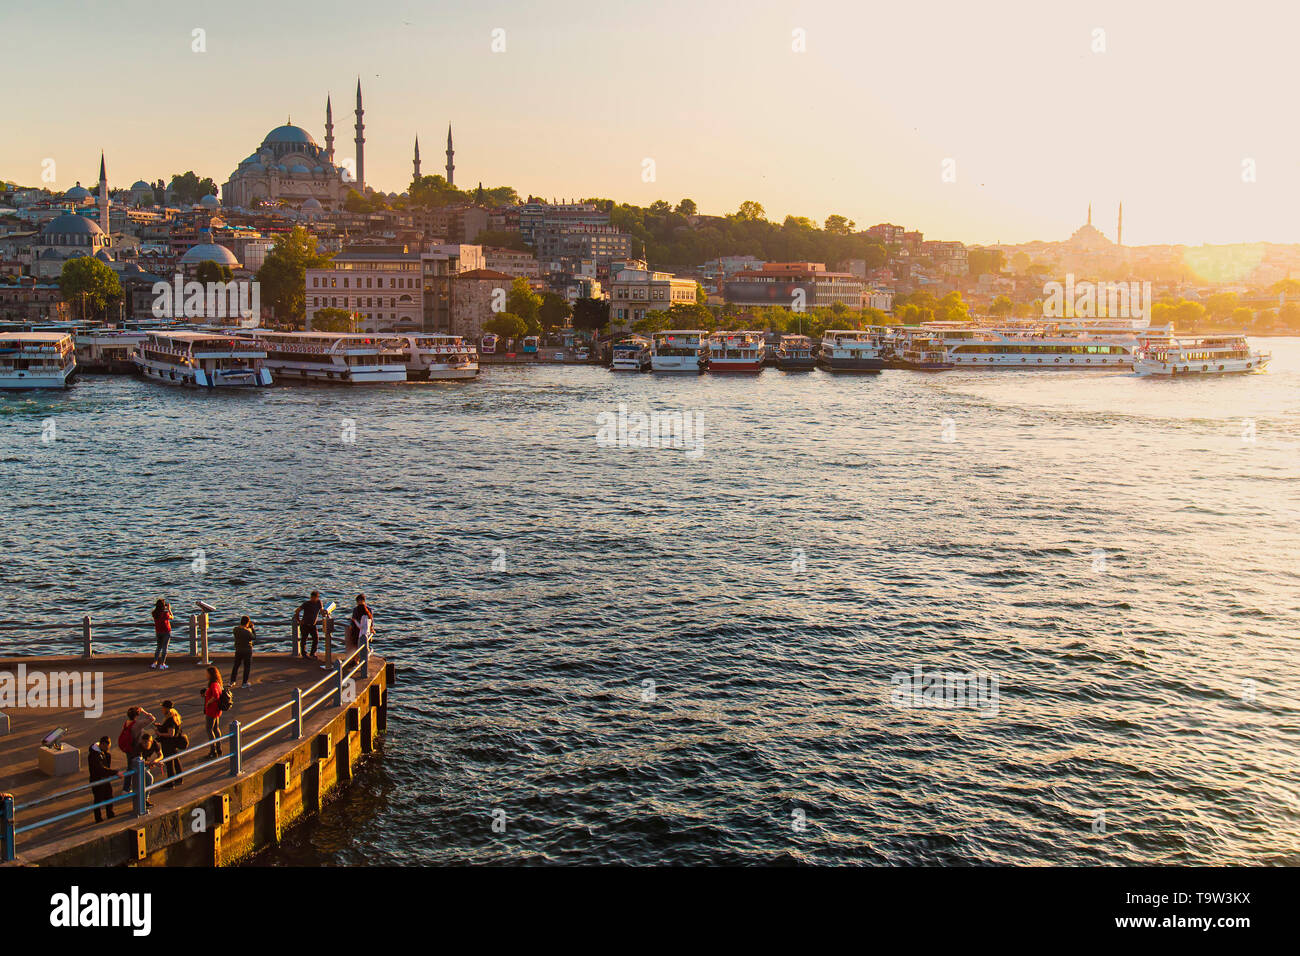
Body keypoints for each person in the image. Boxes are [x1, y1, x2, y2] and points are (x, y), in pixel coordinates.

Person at [154, 699, 185, 788]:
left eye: (163, 707)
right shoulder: (174, 716)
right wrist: (161, 726)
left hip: (168, 745)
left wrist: (160, 733)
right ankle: (179, 779)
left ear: (166, 708)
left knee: (169, 763)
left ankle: (170, 782)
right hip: (174, 744)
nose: (162, 709)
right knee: (176, 760)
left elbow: (171, 733)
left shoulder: (170, 720)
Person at [88, 736, 119, 822]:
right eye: (107, 746)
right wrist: (114, 772)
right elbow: (101, 769)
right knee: (98, 799)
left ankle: (110, 814)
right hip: (97, 780)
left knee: (109, 796)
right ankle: (98, 818)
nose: (108, 749)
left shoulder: (103, 753)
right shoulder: (94, 755)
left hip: (105, 779)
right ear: (103, 744)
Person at [130, 733, 163, 808]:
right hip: (137, 764)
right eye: (143, 742)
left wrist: (156, 761)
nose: (144, 744)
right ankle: (144, 800)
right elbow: (140, 762)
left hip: (146, 764)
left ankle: (143, 799)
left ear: (151, 742)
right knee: (149, 778)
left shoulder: (155, 744)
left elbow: (160, 755)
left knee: (145, 781)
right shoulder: (138, 747)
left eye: (146, 743)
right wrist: (152, 763)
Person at [293, 591, 324, 660]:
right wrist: (299, 620)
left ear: (317, 597)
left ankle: (312, 653)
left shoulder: (319, 602)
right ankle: (304, 654)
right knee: (304, 639)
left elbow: (321, 610)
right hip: (305, 624)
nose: (313, 599)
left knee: (316, 638)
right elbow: (297, 610)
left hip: (313, 625)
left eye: (314, 598)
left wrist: (324, 612)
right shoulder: (306, 604)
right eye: (312, 597)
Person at [203, 667, 224, 758]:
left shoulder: (213, 684)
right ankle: (219, 748)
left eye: (207, 673)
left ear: (211, 674)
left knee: (209, 729)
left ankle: (213, 750)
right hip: (216, 710)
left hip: (212, 711)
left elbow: (215, 695)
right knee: (216, 729)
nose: (206, 675)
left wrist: (208, 702)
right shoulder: (218, 683)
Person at [231, 616, 254, 688]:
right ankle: (244, 683)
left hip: (238, 649)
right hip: (247, 650)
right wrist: (252, 628)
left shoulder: (235, 629)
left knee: (236, 666)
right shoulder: (247, 631)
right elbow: (253, 637)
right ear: (247, 623)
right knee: (247, 666)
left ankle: (232, 681)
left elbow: (241, 631)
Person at [150, 598, 173, 670]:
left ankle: (154, 663)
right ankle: (162, 664)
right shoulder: (165, 613)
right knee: (164, 648)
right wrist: (169, 609)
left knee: (158, 647)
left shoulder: (154, 613)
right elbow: (172, 617)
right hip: (166, 631)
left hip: (158, 631)